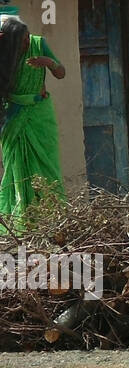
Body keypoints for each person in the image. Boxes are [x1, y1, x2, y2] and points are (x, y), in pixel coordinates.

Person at [0, 14, 66, 229]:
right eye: (22, 40)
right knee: (15, 170)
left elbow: (61, 74)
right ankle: (20, 222)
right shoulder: (4, 53)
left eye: (28, 37)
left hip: (40, 114)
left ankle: (53, 220)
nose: (28, 42)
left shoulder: (39, 44)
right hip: (14, 117)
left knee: (47, 166)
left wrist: (49, 62)